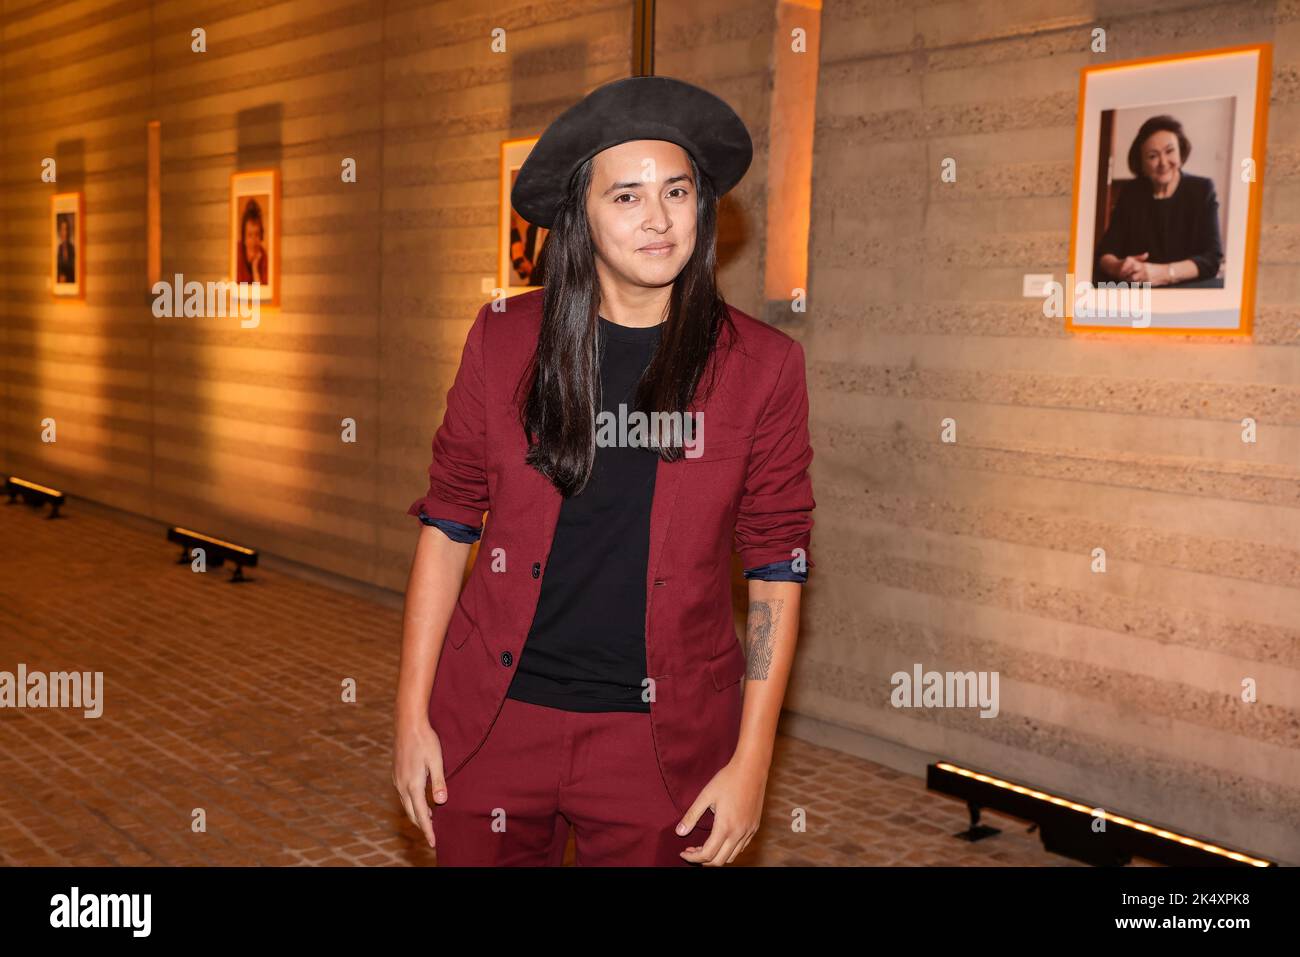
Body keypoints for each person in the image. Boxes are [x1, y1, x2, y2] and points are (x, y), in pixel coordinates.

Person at [392, 75, 815, 866]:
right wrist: (412, 714)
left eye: (678, 191)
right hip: (492, 722)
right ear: (580, 217)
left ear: (703, 205)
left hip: (660, 744)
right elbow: (448, 521)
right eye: (626, 196)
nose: (657, 218)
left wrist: (753, 758)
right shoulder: (502, 338)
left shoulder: (763, 368)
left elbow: (775, 568)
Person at [1094, 115, 1224, 288]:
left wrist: (1164, 273)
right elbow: (1105, 254)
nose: (1163, 163)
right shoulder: (1131, 193)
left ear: (1181, 151)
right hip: (1140, 293)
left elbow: (1212, 258)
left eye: (1170, 151)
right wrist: (1118, 267)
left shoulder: (1202, 189)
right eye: (1152, 156)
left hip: (1188, 290)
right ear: (1141, 164)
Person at [236, 198, 268, 284]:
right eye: (250, 235)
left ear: (261, 236)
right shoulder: (237, 252)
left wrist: (255, 268)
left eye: (257, 234)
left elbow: (262, 294)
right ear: (244, 238)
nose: (254, 241)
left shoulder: (264, 257)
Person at [56, 216, 76, 283]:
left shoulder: (72, 248)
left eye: (66, 229)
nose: (65, 232)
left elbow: (74, 268)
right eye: (63, 229)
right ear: (60, 232)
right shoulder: (59, 248)